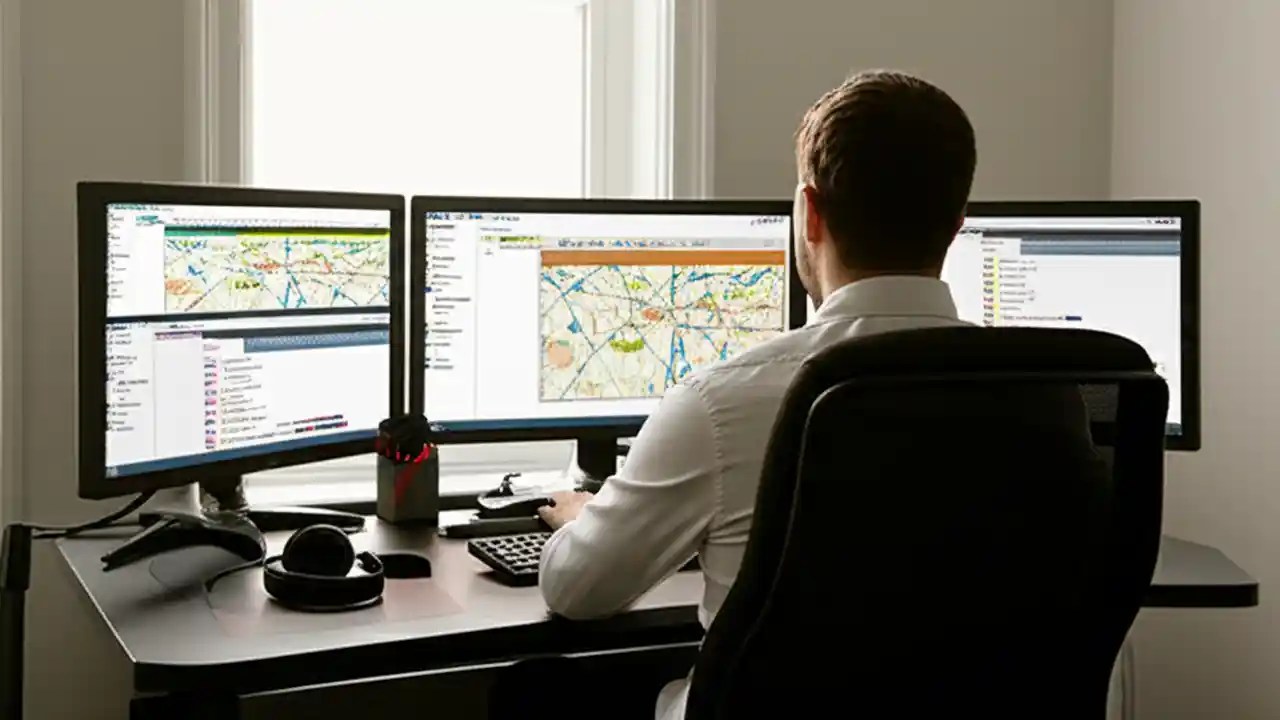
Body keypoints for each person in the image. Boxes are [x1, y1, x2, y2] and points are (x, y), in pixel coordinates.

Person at [536, 69, 978, 719]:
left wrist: (585, 519)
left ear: (811, 212)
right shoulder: (1048, 399)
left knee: (536, 694)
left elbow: (576, 589)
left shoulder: (723, 402)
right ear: (957, 222)